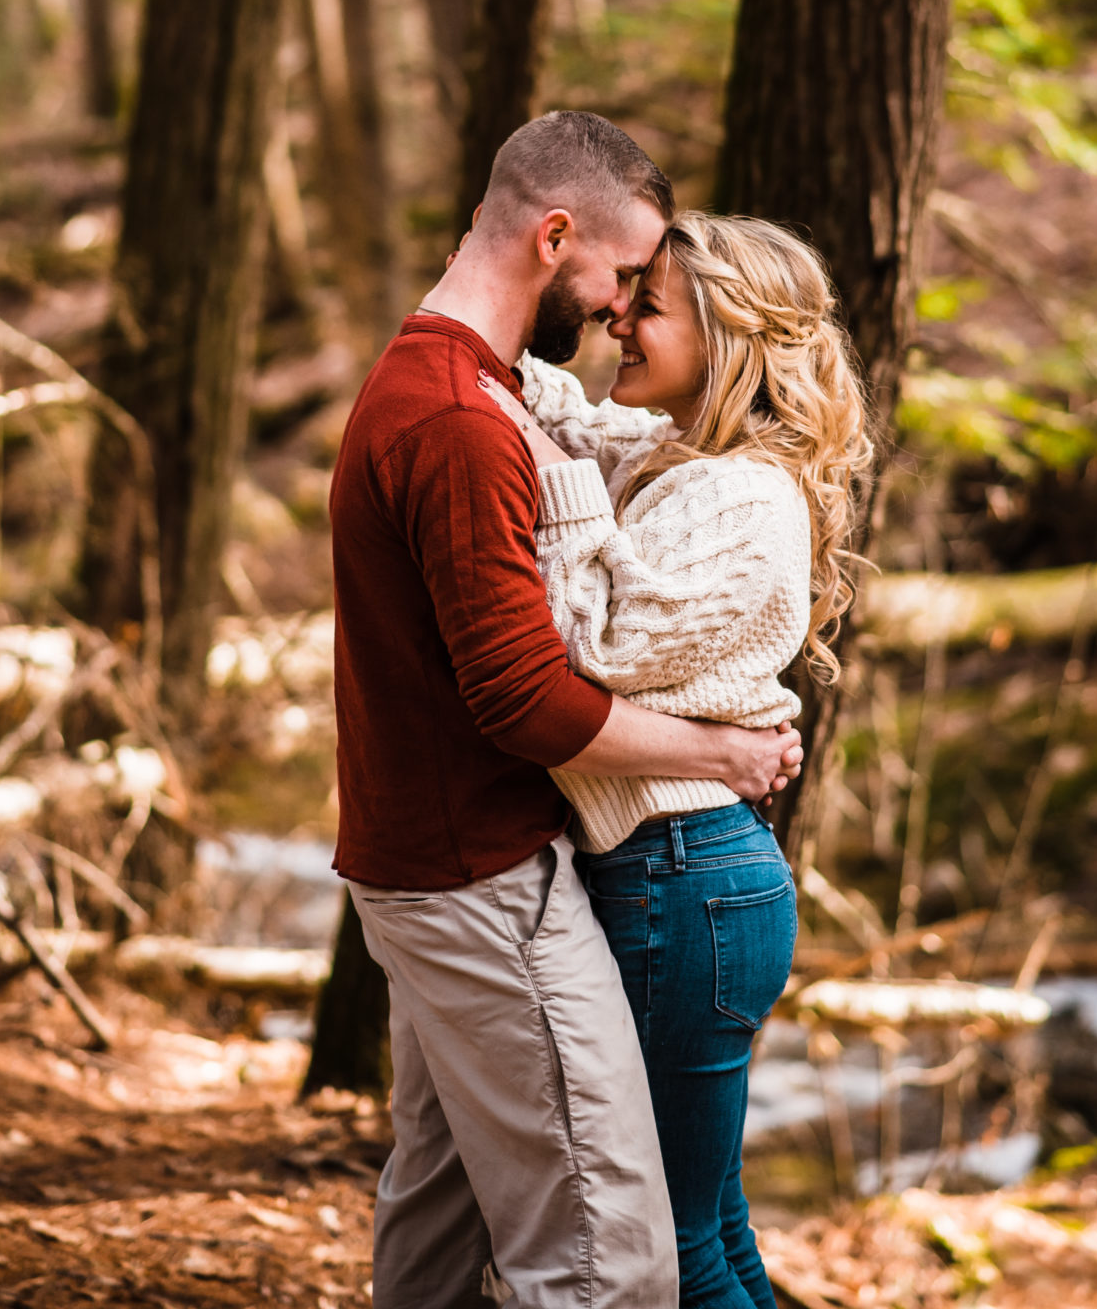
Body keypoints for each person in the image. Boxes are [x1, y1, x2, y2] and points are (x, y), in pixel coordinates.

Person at [330, 115, 804, 1309]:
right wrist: (723, 748)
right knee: (612, 1265)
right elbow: (529, 698)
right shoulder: (457, 418)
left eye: (648, 295)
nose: (615, 311)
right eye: (621, 278)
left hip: (428, 860)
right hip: (479, 872)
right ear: (553, 236)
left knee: (439, 1213)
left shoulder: (449, 384)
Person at [480, 212, 873, 1309]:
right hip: (692, 882)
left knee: (672, 1238)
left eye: (645, 306)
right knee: (714, 1222)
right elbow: (568, 416)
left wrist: (555, 486)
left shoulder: (738, 495)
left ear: (728, 333)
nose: (618, 318)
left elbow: (590, 642)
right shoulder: (679, 457)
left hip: (680, 883)